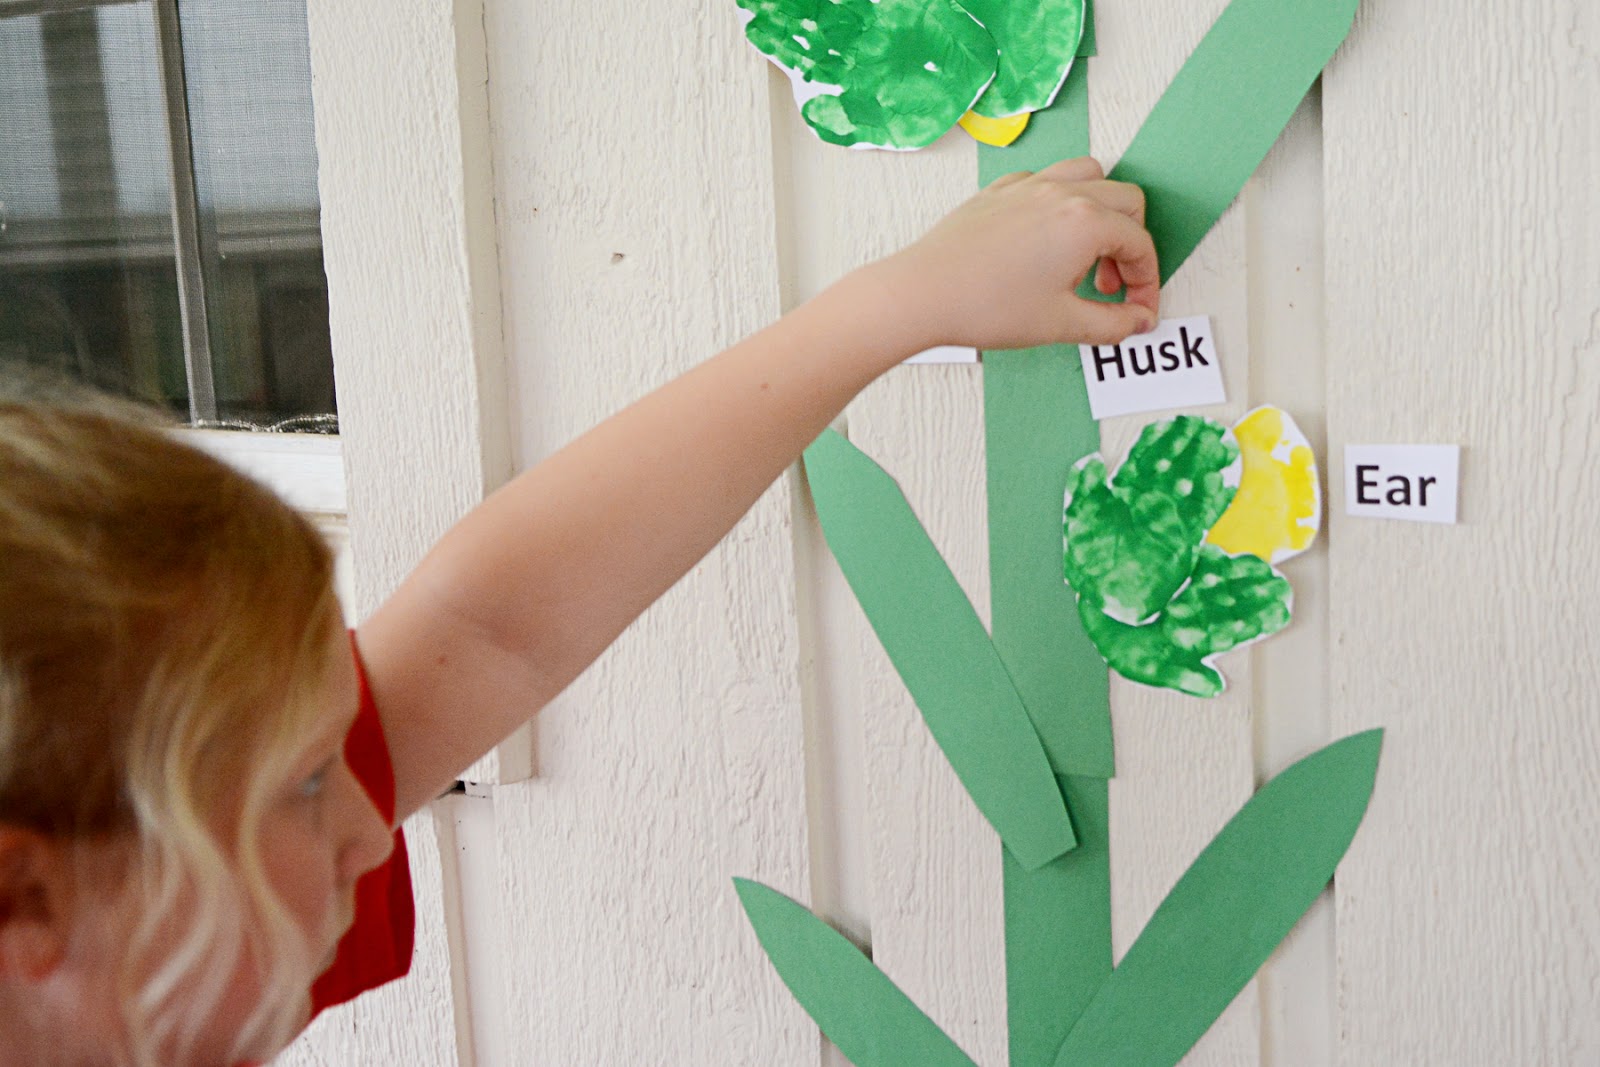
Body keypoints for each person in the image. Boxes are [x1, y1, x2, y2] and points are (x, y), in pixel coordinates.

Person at [0, 157, 1158, 1067]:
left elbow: (485, 626)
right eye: (306, 782)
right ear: (27, 895)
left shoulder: (143, 960)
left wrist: (895, 305)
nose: (373, 823)